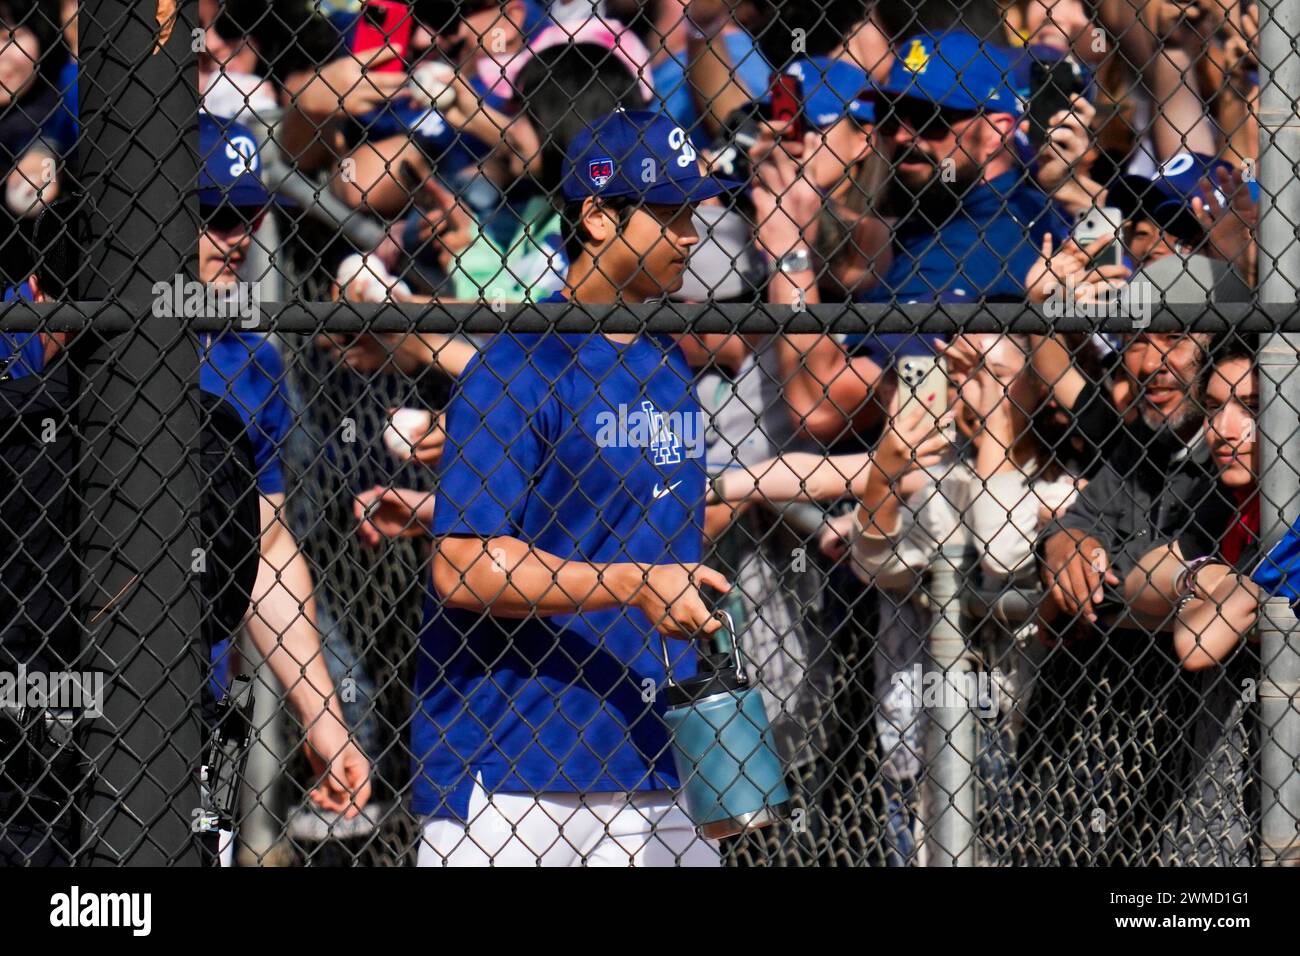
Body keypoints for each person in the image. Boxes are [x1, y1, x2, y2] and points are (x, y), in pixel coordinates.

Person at [4, 115, 374, 831]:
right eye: (212, 217)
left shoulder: (246, 362)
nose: (237, 237)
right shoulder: (29, 327)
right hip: (27, 705)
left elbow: (265, 546)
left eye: (248, 213)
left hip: (173, 707)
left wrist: (324, 722)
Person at [415, 108, 738, 867]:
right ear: (596, 216)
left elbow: (655, 525)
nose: (692, 234)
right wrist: (633, 582)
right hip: (512, 771)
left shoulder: (667, 364)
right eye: (670, 213)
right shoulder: (517, 364)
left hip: (658, 755)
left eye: (695, 212)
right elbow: (460, 564)